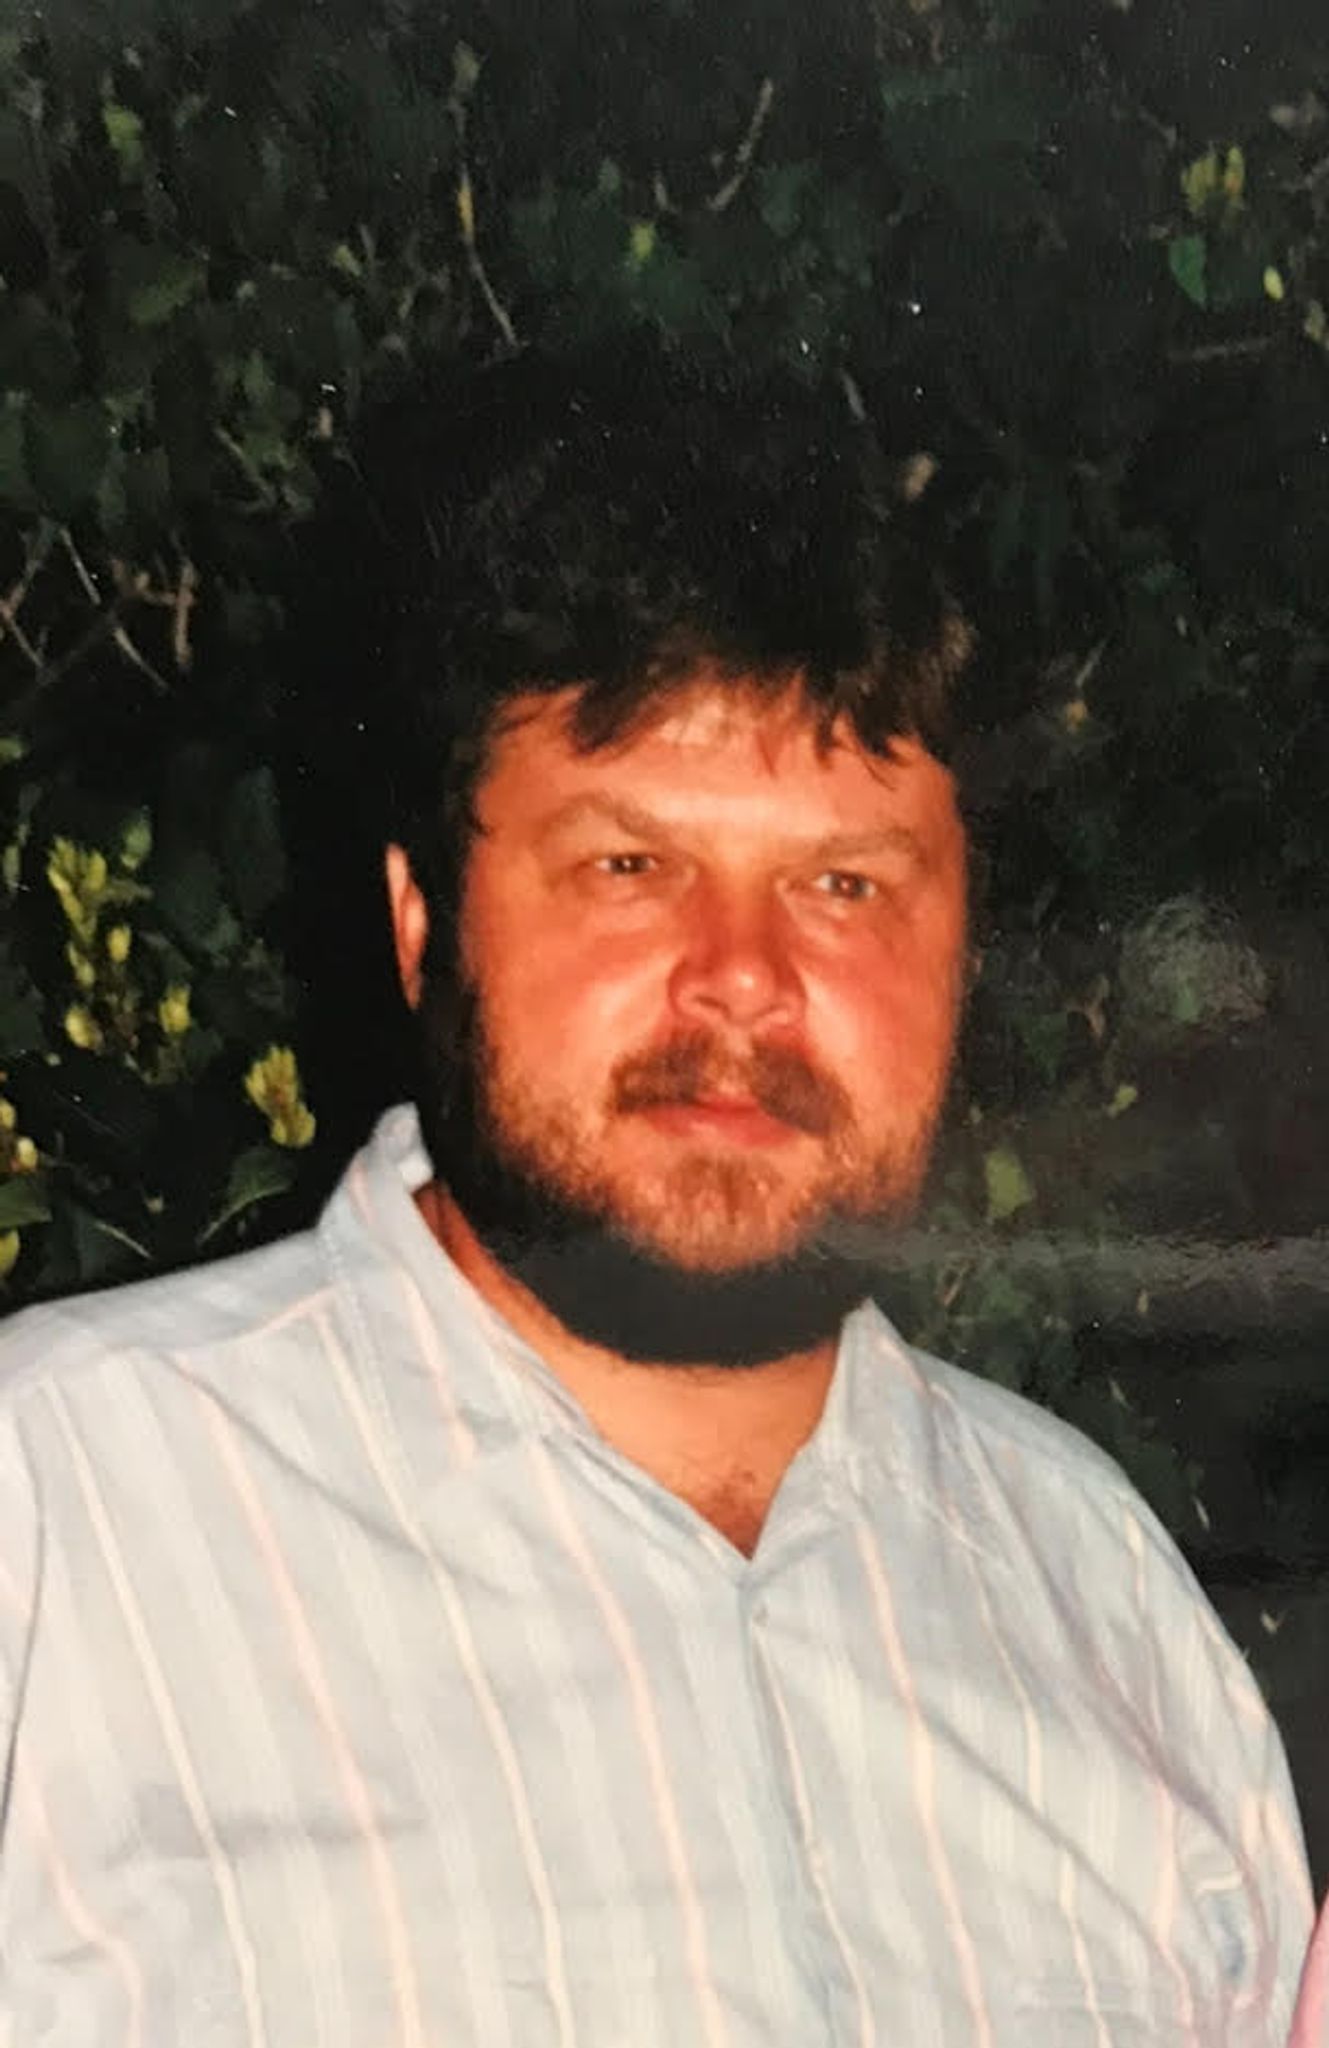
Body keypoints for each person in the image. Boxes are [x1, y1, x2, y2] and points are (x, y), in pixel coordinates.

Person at [0, 349, 1313, 2044]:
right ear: (421, 923)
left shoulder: (1095, 1597)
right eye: (629, 867)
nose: (742, 978)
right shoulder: (63, 1513)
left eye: (842, 884)